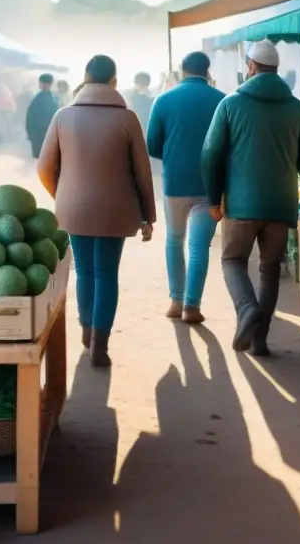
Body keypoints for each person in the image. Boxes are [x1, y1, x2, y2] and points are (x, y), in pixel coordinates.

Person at [201, 39, 300, 356]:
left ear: (251, 67)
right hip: (280, 204)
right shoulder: (297, 108)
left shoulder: (230, 104)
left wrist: (214, 199)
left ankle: (246, 309)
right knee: (269, 269)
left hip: (241, 205)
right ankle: (260, 340)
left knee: (232, 260)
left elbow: (210, 154)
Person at [37, 55, 156, 367]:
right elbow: (143, 174)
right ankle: (99, 344)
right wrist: (148, 216)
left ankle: (86, 330)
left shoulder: (63, 116)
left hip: (73, 209)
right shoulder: (128, 118)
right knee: (105, 272)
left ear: (85, 78)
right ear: (114, 81)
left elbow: (44, 167)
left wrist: (62, 194)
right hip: (115, 211)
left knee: (85, 270)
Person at [147, 51, 225, 324]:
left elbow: (152, 145)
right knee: (199, 245)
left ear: (182, 70)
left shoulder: (164, 100)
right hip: (210, 185)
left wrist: (173, 155)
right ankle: (192, 306)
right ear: (207, 71)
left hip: (175, 182)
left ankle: (175, 300)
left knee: (174, 239)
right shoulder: (223, 100)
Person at [25, 73, 59, 159]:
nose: (44, 85)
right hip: (44, 133)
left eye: (46, 83)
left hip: (41, 133)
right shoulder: (52, 99)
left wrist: (30, 133)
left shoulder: (37, 99)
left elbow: (30, 117)